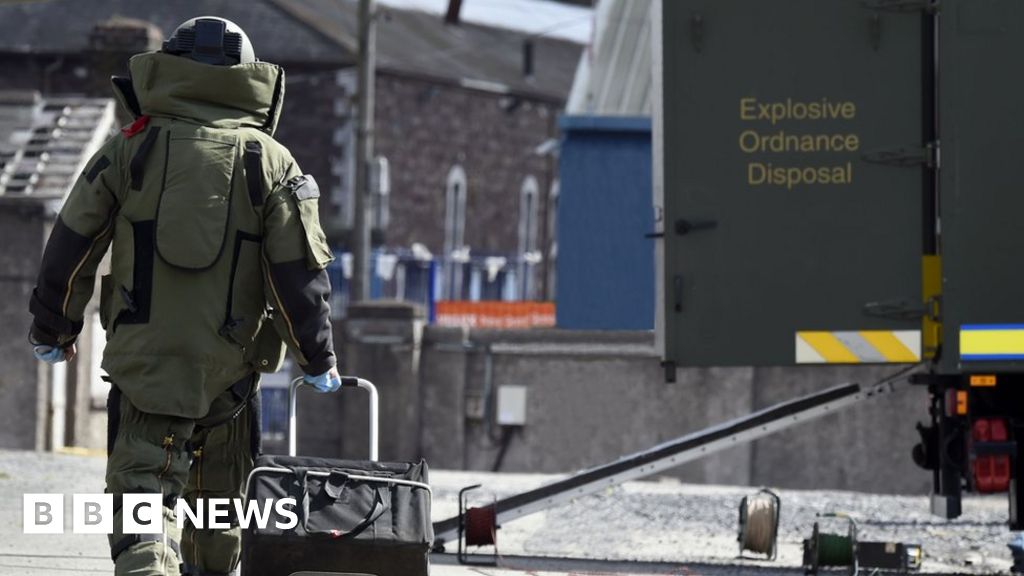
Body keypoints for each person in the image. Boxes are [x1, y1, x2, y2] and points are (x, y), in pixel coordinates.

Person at [28, 17, 340, 576]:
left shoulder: (128, 149)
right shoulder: (271, 161)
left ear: (168, 68)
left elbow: (72, 246)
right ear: (247, 77)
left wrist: (55, 328)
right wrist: (316, 356)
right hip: (231, 370)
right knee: (219, 511)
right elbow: (297, 274)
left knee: (142, 493)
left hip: (144, 366)